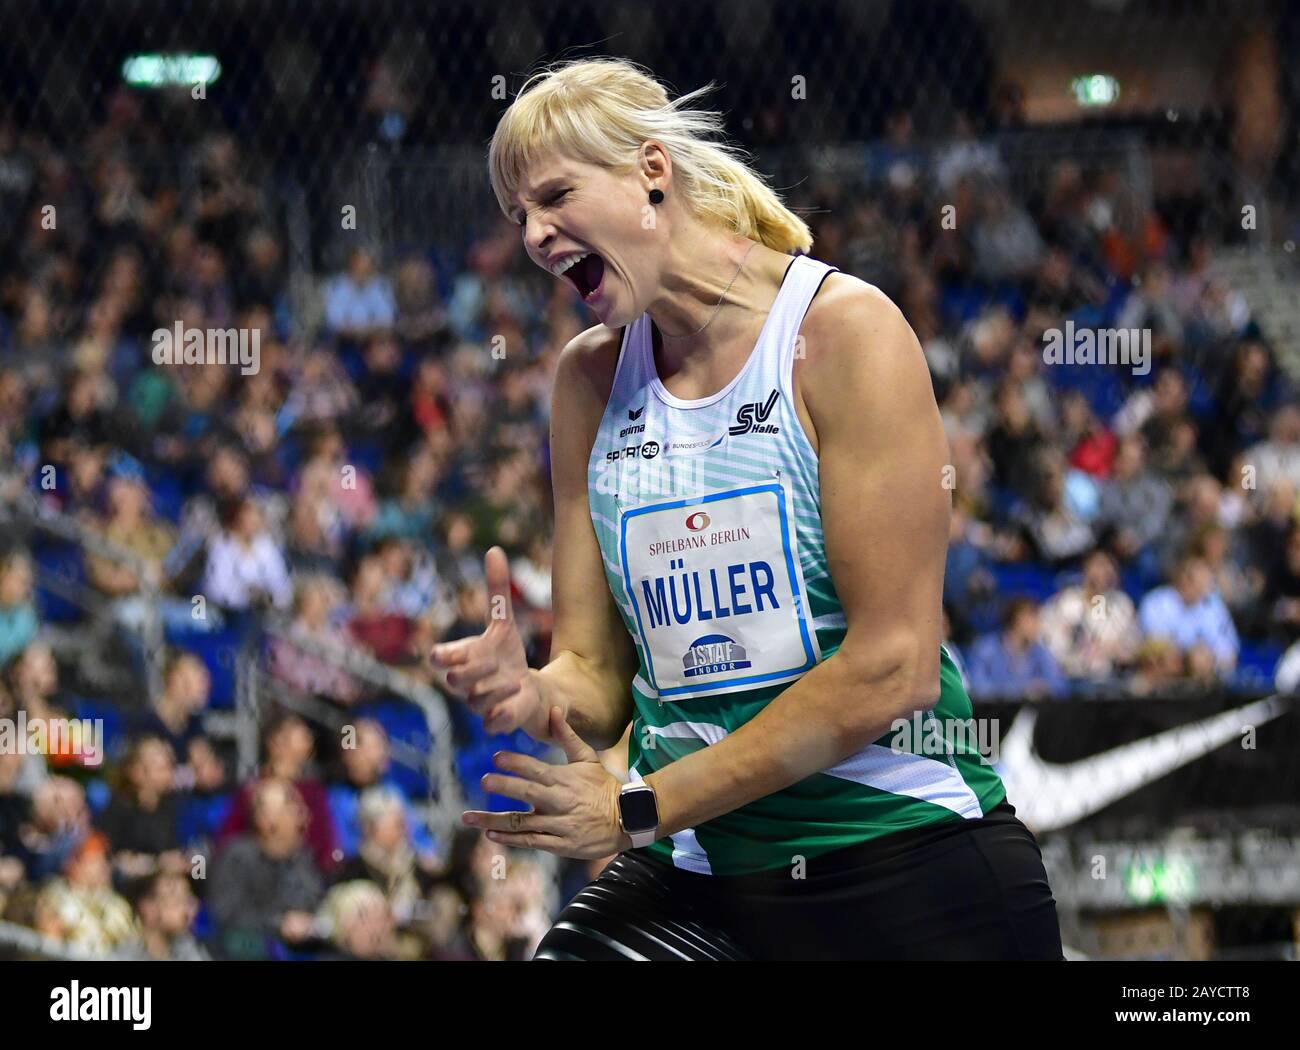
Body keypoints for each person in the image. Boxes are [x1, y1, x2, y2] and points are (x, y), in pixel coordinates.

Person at [431, 57, 1063, 961]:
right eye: (517, 216)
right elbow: (598, 682)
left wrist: (640, 807)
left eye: (554, 195)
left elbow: (895, 668)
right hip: (707, 873)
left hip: (907, 856)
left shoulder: (844, 333)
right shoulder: (588, 379)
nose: (533, 234)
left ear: (653, 171)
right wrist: (534, 690)